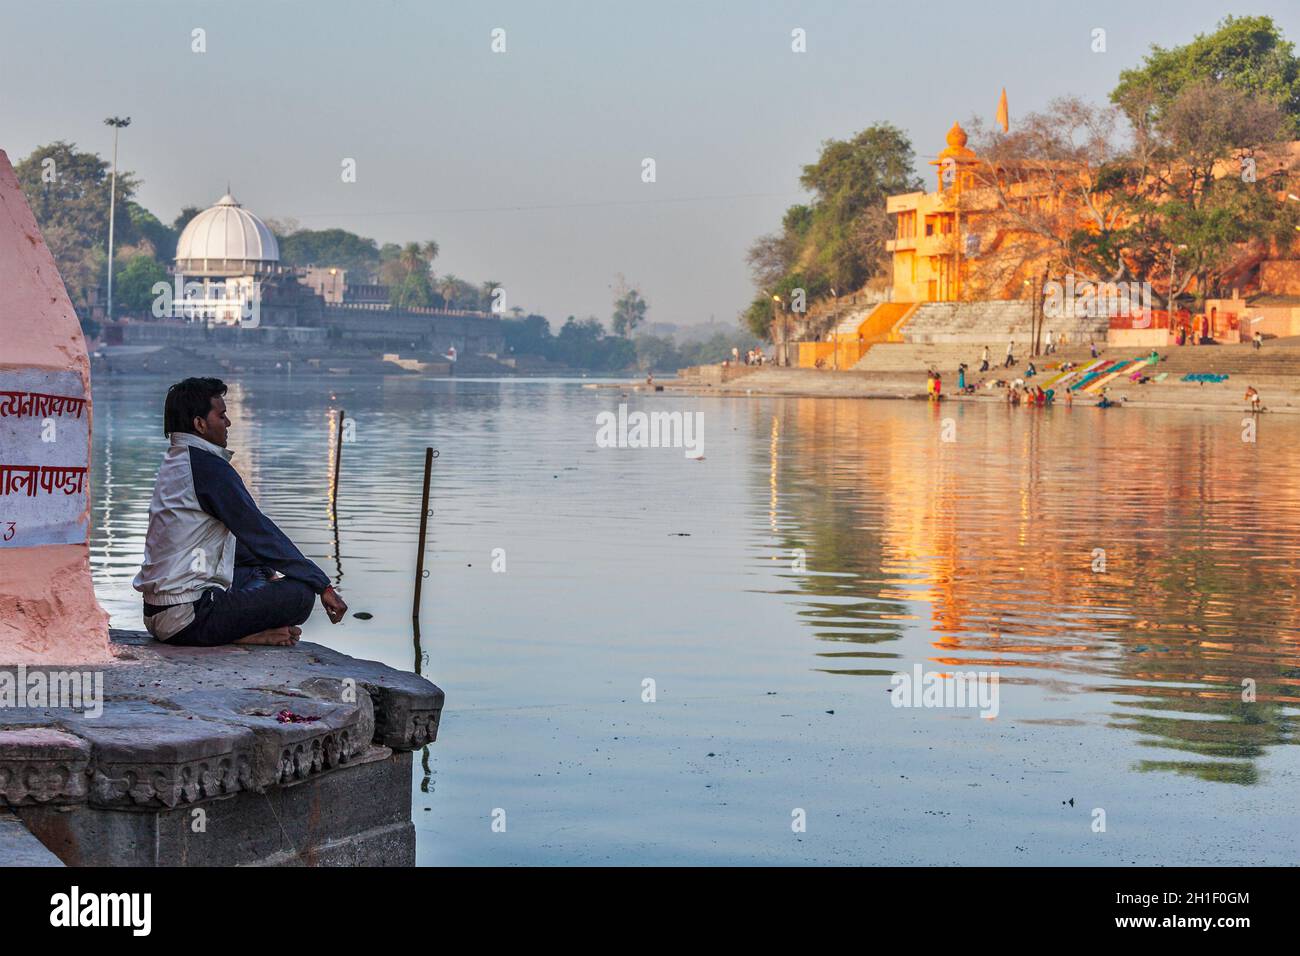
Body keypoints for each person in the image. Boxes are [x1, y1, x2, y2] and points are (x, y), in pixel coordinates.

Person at [133, 378, 348, 646]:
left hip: (159, 615)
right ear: (200, 424)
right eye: (221, 415)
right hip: (189, 617)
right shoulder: (209, 469)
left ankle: (242, 628)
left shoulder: (176, 461)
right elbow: (258, 531)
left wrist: (269, 567)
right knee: (301, 594)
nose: (228, 423)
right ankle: (246, 635)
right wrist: (322, 585)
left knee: (259, 567)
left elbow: (251, 541)